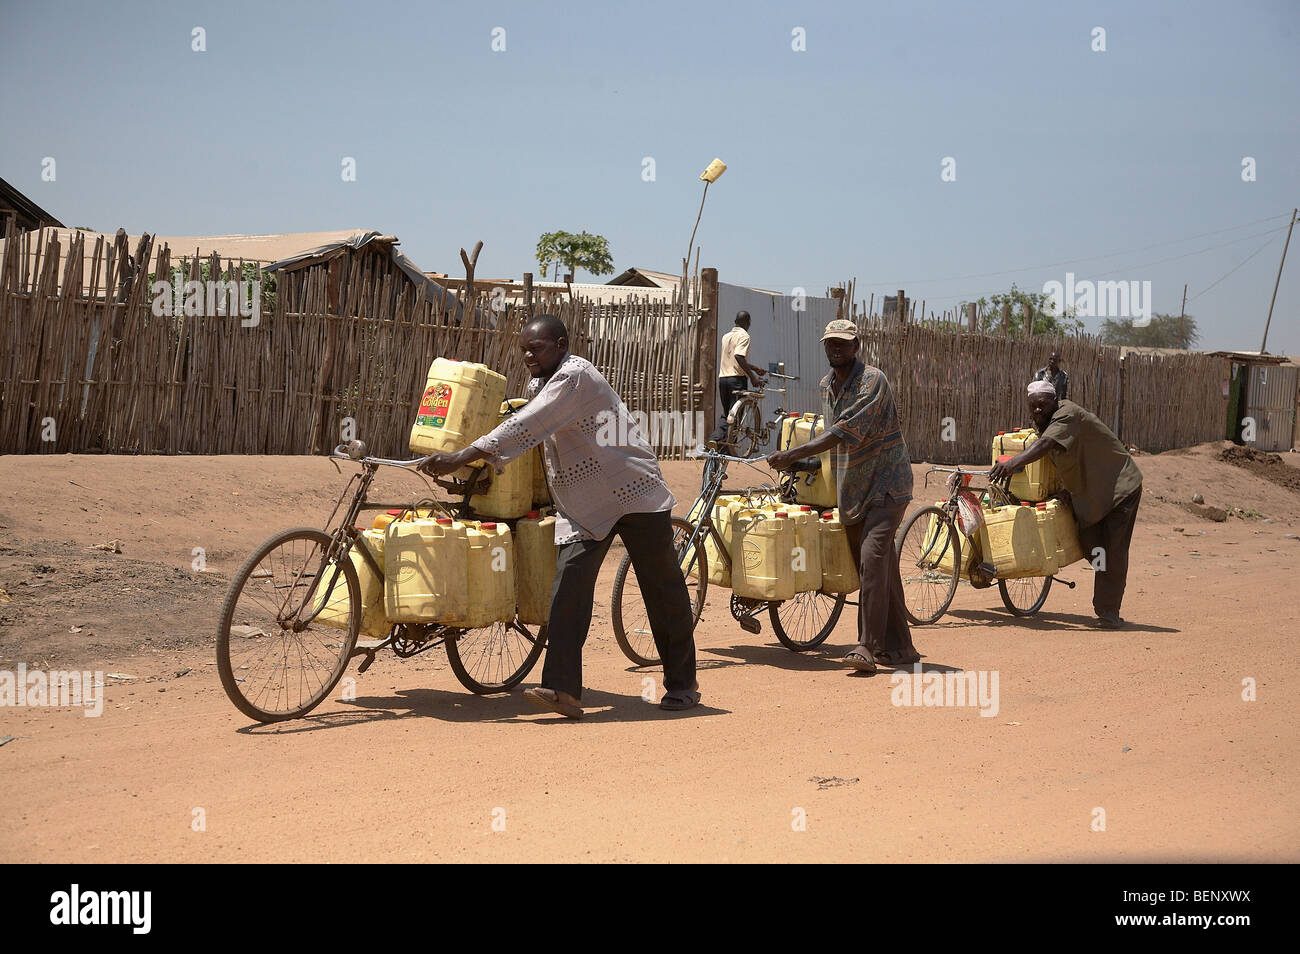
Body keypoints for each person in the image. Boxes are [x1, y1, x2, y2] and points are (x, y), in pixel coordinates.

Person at [418, 314, 699, 717]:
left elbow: (527, 425)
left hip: (633, 490)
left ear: (562, 344)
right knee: (568, 588)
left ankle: (683, 685)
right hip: (586, 502)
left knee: (662, 589)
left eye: (537, 348)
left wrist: (463, 456)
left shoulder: (575, 377)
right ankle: (564, 690)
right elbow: (527, 432)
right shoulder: (539, 384)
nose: (528, 356)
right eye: (524, 350)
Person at [765, 319, 918, 672]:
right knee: (881, 568)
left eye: (843, 343)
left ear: (856, 346)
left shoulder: (873, 381)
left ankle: (866, 645)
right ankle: (900, 648)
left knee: (871, 559)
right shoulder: (825, 387)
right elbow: (832, 438)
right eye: (831, 343)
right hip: (853, 489)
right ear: (825, 347)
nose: (836, 348)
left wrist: (793, 456)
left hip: (887, 485)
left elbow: (842, 431)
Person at [990, 380, 1143, 629]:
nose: (1038, 410)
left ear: (1054, 401)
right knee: (1091, 545)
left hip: (1120, 487)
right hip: (1090, 492)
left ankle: (1108, 610)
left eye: (1043, 404)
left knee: (1113, 550)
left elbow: (1045, 446)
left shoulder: (1067, 414)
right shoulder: (1043, 424)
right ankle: (1107, 583)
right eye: (1033, 405)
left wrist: (1012, 463)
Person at [710, 311, 768, 443]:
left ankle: (715, 439)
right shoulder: (744, 336)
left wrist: (755, 369)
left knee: (727, 414)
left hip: (723, 379)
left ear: (735, 321)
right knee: (736, 418)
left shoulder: (726, 336)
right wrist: (753, 377)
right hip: (736, 380)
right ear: (748, 322)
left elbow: (735, 359)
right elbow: (738, 356)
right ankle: (728, 447)